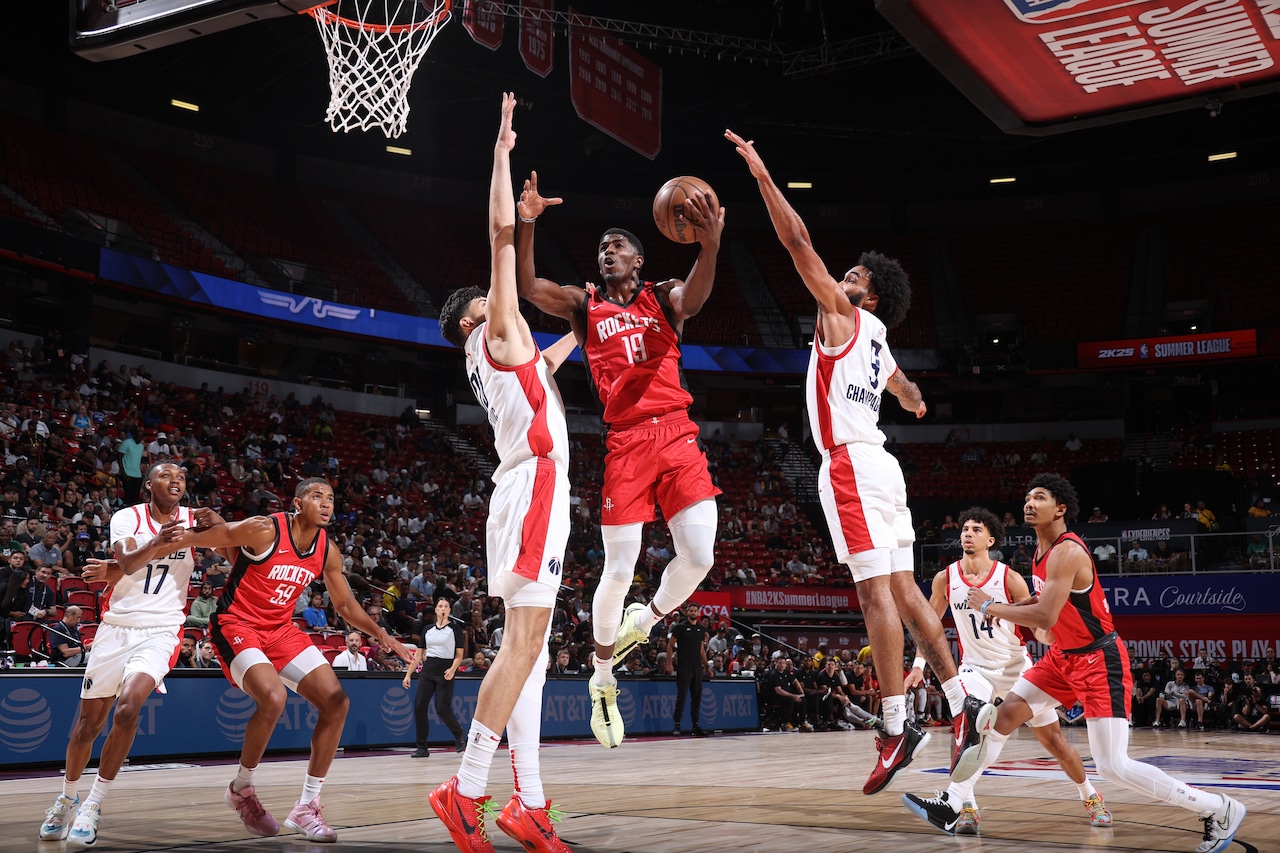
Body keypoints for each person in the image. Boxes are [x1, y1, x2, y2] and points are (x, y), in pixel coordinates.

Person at [727, 128, 992, 795]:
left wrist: (762, 173)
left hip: (849, 465)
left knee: (875, 594)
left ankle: (898, 723)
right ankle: (961, 700)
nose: (839, 281)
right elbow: (902, 384)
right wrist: (917, 399)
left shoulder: (843, 317)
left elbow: (795, 243)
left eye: (852, 279)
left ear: (866, 298)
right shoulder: (878, 338)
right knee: (903, 591)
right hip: (882, 466)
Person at [516, 140, 725, 751]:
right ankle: (602, 678)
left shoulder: (665, 297)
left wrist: (710, 245)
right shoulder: (585, 304)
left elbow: (699, 295)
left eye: (618, 246)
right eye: (602, 248)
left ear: (640, 256)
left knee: (701, 555)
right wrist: (527, 222)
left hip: (677, 434)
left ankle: (650, 617)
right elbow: (528, 286)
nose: (607, 252)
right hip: (626, 443)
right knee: (619, 564)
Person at [428, 93, 579, 853]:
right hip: (535, 487)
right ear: (472, 314)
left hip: (521, 488)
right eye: (490, 293)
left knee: (534, 653)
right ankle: (467, 788)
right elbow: (494, 236)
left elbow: (558, 354)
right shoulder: (496, 327)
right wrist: (501, 150)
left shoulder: (505, 352)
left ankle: (530, 801)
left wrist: (609, 316)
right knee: (523, 647)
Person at [954, 473, 1246, 853]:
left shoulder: (1067, 551)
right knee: (1006, 714)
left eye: (1039, 497)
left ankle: (1216, 808)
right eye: (1027, 497)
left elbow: (1044, 617)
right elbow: (1045, 603)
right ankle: (959, 796)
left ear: (1060, 508)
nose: (1029, 502)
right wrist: (1015, 607)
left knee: (1113, 766)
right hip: (1063, 659)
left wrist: (991, 606)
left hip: (1098, 659)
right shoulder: (1041, 553)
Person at [173, 477, 412, 843]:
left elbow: (345, 606)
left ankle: (306, 806)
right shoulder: (265, 528)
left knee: (336, 702)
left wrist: (385, 638)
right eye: (317, 497)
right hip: (237, 623)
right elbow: (208, 539)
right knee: (273, 697)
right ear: (298, 504)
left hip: (280, 629)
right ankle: (242, 788)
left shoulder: (327, 550)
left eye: (331, 498)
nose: (327, 503)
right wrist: (177, 534)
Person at [902, 507, 1111, 835]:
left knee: (1054, 741)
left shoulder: (1007, 577)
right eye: (964, 529)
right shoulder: (946, 578)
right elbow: (927, 629)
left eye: (975, 529)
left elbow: (1037, 619)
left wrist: (1049, 633)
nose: (967, 534)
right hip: (975, 669)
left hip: (1016, 668)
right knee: (967, 729)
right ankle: (965, 807)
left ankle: (1090, 795)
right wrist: (917, 666)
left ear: (991, 539)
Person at [36, 461, 199, 846]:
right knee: (86, 728)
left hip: (161, 630)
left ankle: (93, 803)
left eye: (181, 477)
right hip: (114, 629)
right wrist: (154, 545)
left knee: (128, 708)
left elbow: (242, 545)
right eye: (165, 475)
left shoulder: (197, 520)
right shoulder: (128, 517)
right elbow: (126, 561)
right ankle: (67, 796)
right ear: (148, 485)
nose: (174, 480)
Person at [404, 597, 466, 758]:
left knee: (442, 709)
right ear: (436, 610)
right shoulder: (427, 630)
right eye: (440, 606)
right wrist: (408, 674)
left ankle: (459, 734)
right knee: (419, 707)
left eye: (446, 606)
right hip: (428, 669)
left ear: (449, 610)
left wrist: (453, 669)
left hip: (446, 670)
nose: (443, 609)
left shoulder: (455, 629)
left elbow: (459, 655)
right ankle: (422, 747)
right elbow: (419, 654)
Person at [665, 602, 710, 736]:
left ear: (698, 613)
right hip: (684, 666)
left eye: (695, 611)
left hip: (697, 667)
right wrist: (669, 663)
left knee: (697, 697)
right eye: (691, 611)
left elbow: (701, 650)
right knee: (682, 696)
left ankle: (695, 726)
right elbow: (670, 646)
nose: (693, 613)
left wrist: (707, 666)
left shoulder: (701, 629)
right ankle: (677, 725)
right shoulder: (680, 628)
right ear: (687, 612)